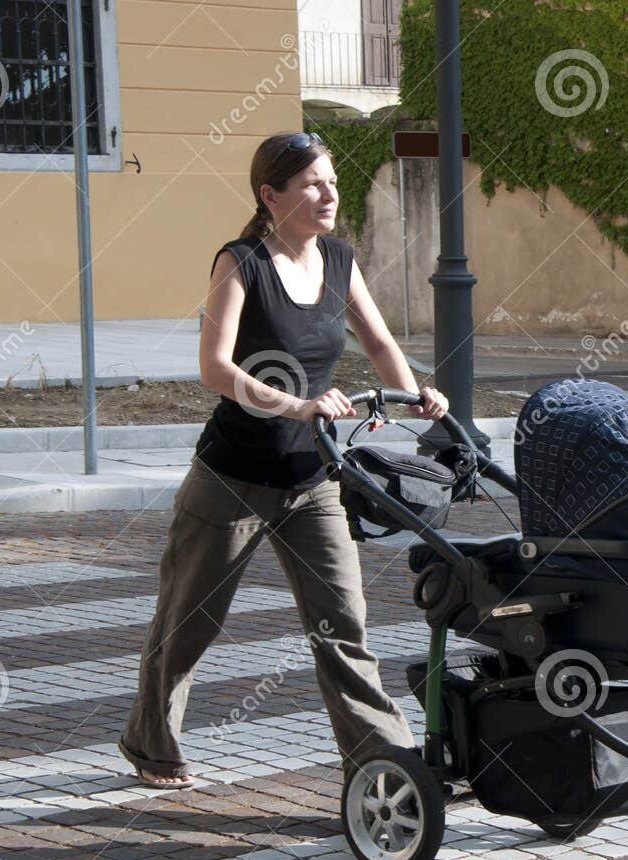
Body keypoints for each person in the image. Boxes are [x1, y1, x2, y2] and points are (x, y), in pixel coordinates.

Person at [119, 131, 448, 789]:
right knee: (188, 623)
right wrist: (297, 404)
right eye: (312, 185)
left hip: (313, 478)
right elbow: (214, 368)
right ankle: (150, 743)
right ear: (271, 196)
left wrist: (416, 395)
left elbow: (379, 342)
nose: (329, 195)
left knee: (343, 627)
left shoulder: (339, 260)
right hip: (231, 478)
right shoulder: (241, 263)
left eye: (332, 182)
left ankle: (384, 767)